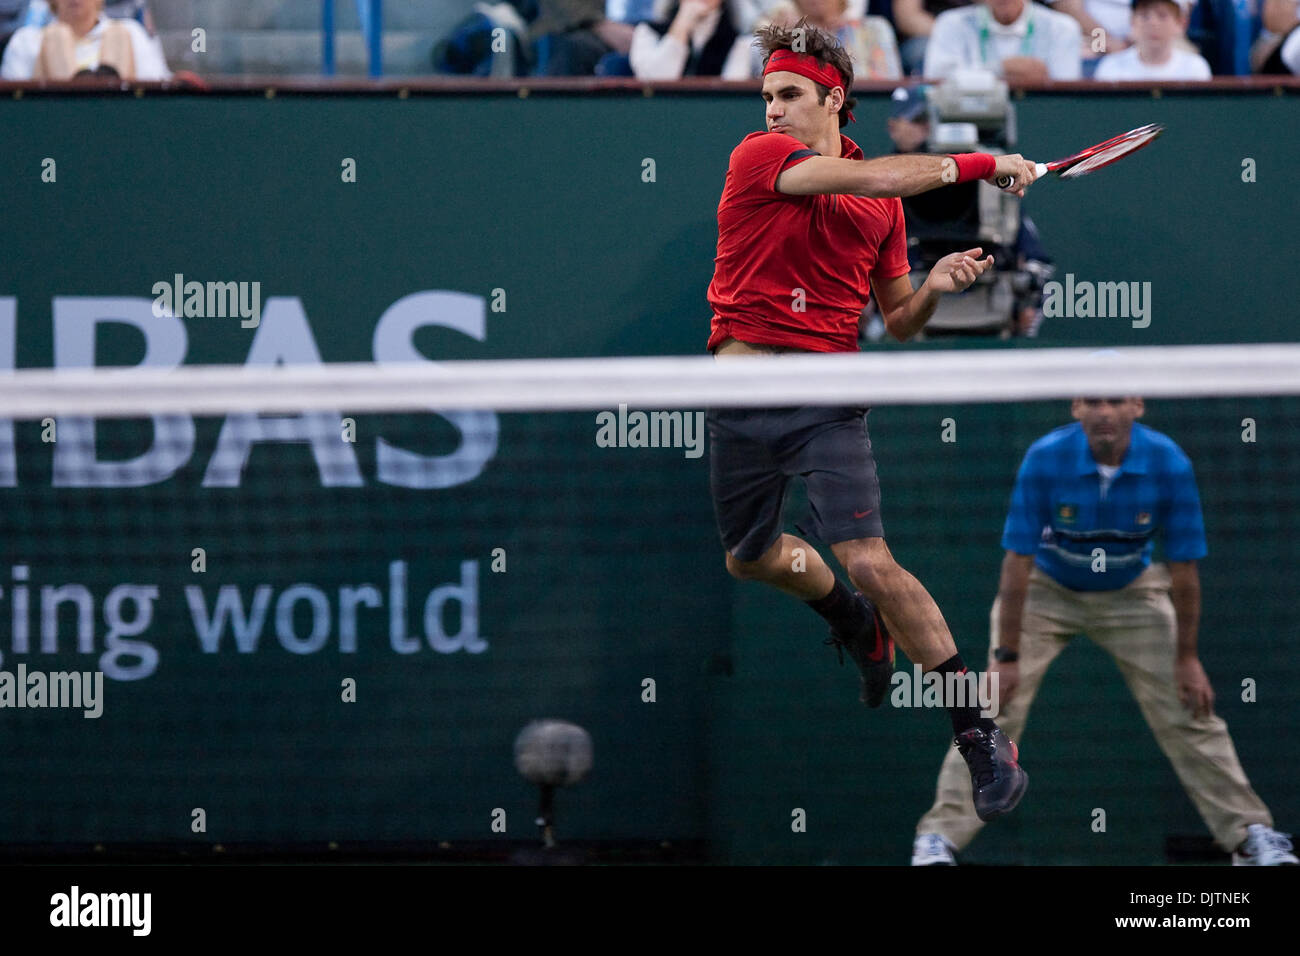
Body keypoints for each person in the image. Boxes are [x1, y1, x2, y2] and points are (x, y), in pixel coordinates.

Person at [706, 16, 1039, 822]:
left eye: (789, 96)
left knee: (871, 559)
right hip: (740, 395)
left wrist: (937, 286)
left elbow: (900, 316)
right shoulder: (762, 158)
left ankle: (977, 732)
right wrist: (985, 163)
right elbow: (879, 182)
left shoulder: (879, 212)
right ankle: (852, 623)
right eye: (767, 96)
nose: (773, 111)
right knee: (750, 560)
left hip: (827, 398)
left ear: (833, 99)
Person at [912, 394, 1298, 865]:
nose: (1105, 412)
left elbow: (1184, 572)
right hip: (1044, 592)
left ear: (1137, 406)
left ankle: (1249, 835)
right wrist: (1006, 657)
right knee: (989, 712)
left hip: (1133, 593)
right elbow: (1017, 563)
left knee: (1191, 711)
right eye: (1093, 400)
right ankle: (938, 842)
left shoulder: (1168, 462)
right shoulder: (1045, 458)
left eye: (1116, 400)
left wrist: (1187, 657)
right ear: (1076, 408)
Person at [0, 0, 168, 80]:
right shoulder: (26, 40)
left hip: (121, 122)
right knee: (56, 37)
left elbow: (158, 85)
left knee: (119, 34)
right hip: (55, 125)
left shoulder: (131, 32)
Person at [923, 0, 1083, 81]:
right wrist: (1000, 69)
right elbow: (937, 81)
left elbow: (1065, 93)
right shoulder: (950, 24)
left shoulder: (1062, 28)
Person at [749, 0, 903, 79]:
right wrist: (796, 32)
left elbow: (889, 83)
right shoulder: (790, 33)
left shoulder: (874, 29)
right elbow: (790, 81)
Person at [1093, 0, 1211, 79]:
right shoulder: (1111, 68)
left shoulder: (1194, 68)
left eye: (1162, 16)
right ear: (1132, 22)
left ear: (1181, 24)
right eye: (1145, 16)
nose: (1153, 23)